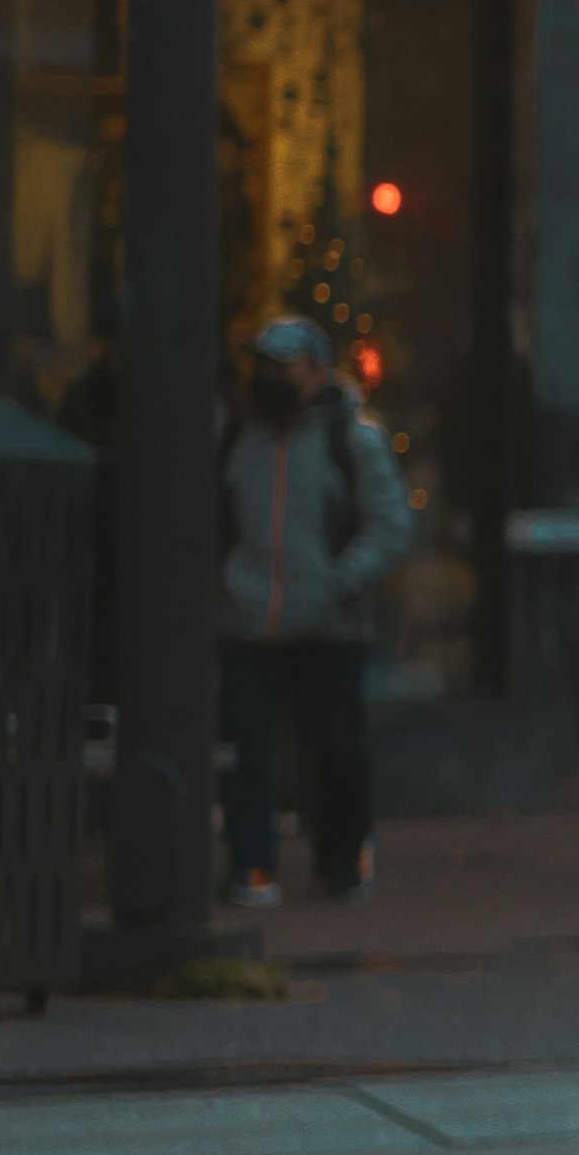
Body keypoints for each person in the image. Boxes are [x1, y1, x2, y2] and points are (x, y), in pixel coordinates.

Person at [215, 313, 416, 908]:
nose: (273, 379)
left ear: (317, 373)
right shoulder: (236, 436)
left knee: (334, 748)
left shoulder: (352, 439)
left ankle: (343, 857)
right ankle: (252, 863)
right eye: (265, 367)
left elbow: (391, 526)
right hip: (247, 618)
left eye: (287, 368)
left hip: (327, 626)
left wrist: (337, 582)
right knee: (244, 750)